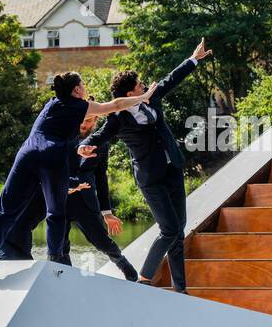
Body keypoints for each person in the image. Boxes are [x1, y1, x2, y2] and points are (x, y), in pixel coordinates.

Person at [0, 71, 155, 277]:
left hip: (27, 153)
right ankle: (55, 260)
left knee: (5, 208)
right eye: (83, 86)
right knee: (56, 213)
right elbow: (116, 105)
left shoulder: (51, 104)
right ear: (76, 90)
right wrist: (142, 97)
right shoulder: (80, 105)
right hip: (52, 155)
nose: (85, 89)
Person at [83, 37, 213, 292]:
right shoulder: (118, 118)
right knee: (169, 228)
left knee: (179, 231)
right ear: (130, 93)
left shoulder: (151, 98)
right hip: (150, 178)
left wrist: (193, 59)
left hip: (172, 168)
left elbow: (171, 79)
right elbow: (99, 136)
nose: (145, 85)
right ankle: (144, 278)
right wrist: (83, 145)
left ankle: (180, 288)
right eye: (140, 84)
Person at [0, 113, 138, 281]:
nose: (85, 124)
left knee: (101, 240)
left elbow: (101, 178)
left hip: (84, 203)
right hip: (58, 198)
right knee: (59, 244)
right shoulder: (62, 137)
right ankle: (62, 279)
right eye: (83, 120)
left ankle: (124, 265)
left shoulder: (102, 144)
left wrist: (107, 212)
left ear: (95, 122)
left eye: (90, 121)